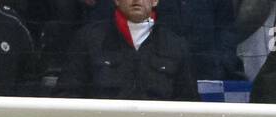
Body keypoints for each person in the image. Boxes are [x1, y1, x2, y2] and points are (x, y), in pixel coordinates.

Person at [57, 0, 199, 101]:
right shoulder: (88, 39)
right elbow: (67, 96)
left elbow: (188, 104)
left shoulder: (175, 45)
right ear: (116, 1)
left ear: (155, 1)